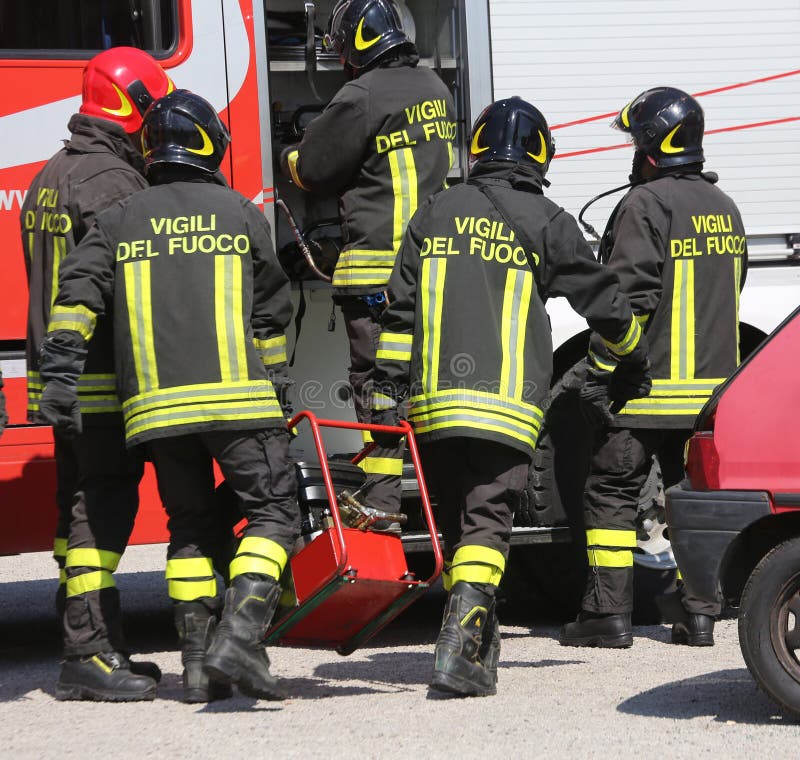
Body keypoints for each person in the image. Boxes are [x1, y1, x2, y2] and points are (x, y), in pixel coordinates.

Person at [370, 96, 652, 697]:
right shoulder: (546, 220)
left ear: (475, 148)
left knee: (453, 524)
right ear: (541, 153)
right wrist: (632, 354)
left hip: (433, 407)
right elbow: (603, 301)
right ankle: (461, 653)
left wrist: (387, 395)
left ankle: (476, 639)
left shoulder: (433, 213)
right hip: (504, 405)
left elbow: (396, 319)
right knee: (487, 523)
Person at [39, 90, 301, 703]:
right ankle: (240, 629)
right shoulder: (239, 213)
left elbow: (76, 293)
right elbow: (271, 317)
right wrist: (278, 390)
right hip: (238, 403)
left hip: (155, 413)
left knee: (189, 526)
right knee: (274, 512)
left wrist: (60, 373)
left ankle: (196, 666)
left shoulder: (122, 218)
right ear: (210, 143)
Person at [559, 87, 748, 650]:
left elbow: (628, 301)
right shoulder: (725, 206)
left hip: (645, 390)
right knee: (692, 498)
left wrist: (599, 370)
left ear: (649, 147)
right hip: (710, 397)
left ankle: (607, 617)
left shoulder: (644, 206)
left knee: (612, 491)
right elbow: (733, 291)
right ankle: (700, 616)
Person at [21, 46, 173, 700]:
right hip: (101, 379)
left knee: (74, 508)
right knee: (100, 513)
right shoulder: (114, 183)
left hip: (59, 381)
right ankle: (88, 653)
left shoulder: (50, 173)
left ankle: (93, 637)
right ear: (132, 106)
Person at [280, 0, 456, 514]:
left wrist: (289, 152)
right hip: (432, 270)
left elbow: (313, 169)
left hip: (377, 273)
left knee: (378, 387)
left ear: (354, 46)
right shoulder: (434, 88)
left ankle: (380, 504)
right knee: (427, 387)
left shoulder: (360, 95)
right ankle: (436, 498)